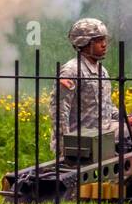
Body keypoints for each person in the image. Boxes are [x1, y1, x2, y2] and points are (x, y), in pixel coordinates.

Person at [53, 18, 123, 152]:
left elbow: (106, 105)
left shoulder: (102, 71)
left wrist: (124, 118)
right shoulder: (71, 70)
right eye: (98, 41)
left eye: (104, 40)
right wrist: (64, 146)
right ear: (84, 43)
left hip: (105, 131)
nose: (104, 45)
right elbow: (60, 110)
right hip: (83, 136)